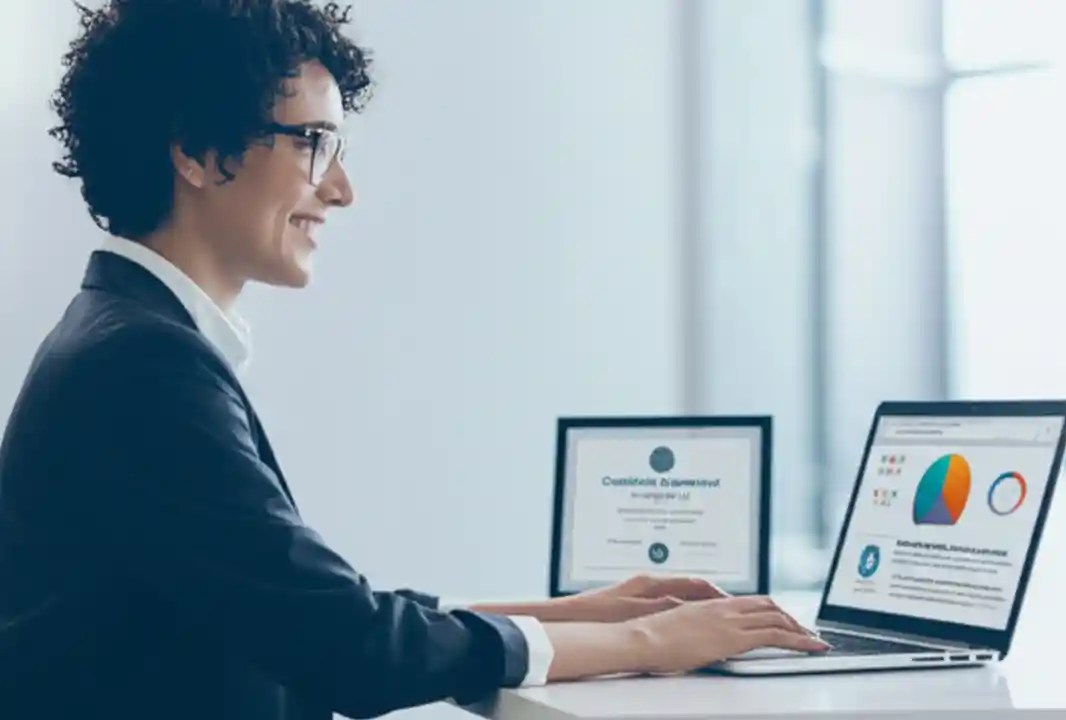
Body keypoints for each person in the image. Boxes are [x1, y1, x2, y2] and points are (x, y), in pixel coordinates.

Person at [0, 2, 828, 718]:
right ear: (199, 153)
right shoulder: (140, 367)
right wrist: (646, 641)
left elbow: (308, 609)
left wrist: (592, 617)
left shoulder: (123, 340)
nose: (341, 189)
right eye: (315, 144)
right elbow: (353, 649)